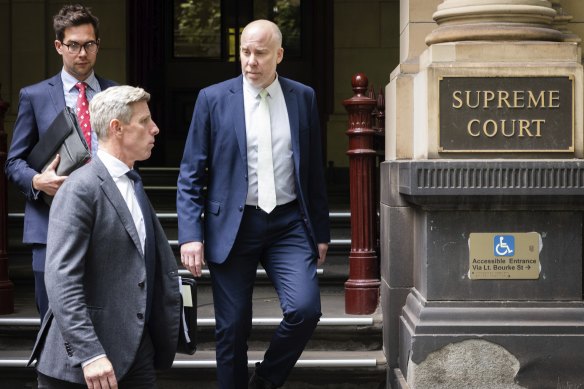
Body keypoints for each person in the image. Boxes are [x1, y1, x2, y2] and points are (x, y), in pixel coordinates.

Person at [177, 19, 330, 389]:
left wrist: (321, 232)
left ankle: (264, 380)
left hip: (289, 223)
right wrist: (189, 236)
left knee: (305, 310)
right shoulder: (213, 99)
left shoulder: (303, 97)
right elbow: (191, 173)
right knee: (231, 328)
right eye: (245, 52)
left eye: (260, 53)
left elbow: (312, 171)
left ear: (278, 54)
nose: (250, 61)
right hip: (233, 225)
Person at [28, 85, 181, 388]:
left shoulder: (133, 182)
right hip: (84, 367)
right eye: (144, 121)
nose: (155, 129)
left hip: (136, 353)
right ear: (117, 128)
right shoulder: (80, 188)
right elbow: (61, 278)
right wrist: (89, 353)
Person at [4, 4, 116, 321]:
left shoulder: (116, 94)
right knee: (53, 317)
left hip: (106, 220)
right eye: (74, 45)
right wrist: (37, 181)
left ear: (98, 45)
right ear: (59, 46)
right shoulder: (35, 96)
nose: (82, 53)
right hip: (50, 220)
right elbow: (14, 162)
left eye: (89, 44)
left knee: (105, 316)